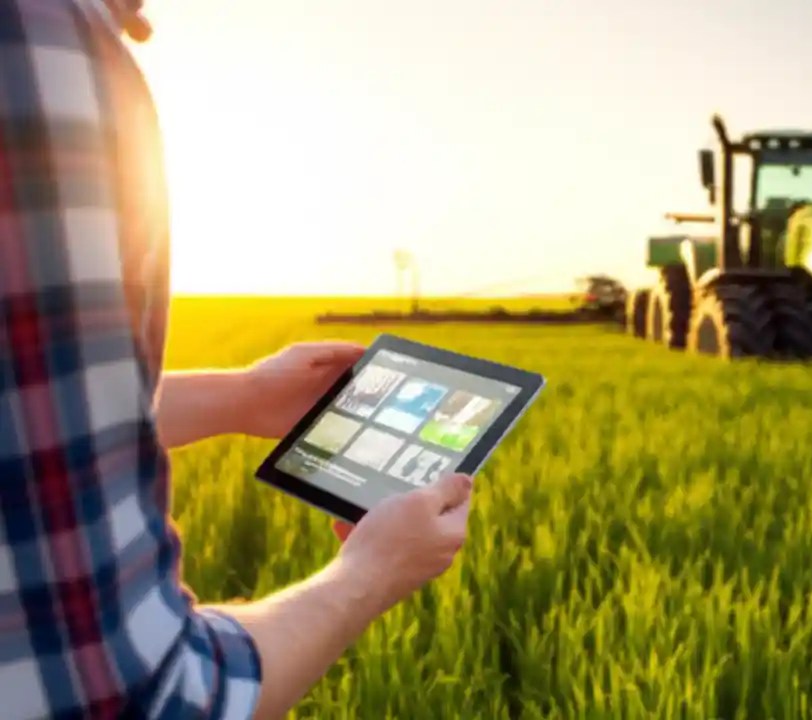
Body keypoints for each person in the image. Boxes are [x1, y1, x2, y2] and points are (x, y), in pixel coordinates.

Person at [0, 1, 474, 718]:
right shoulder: (41, 44)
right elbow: (140, 700)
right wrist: (370, 575)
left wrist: (243, 396)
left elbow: (20, 419)